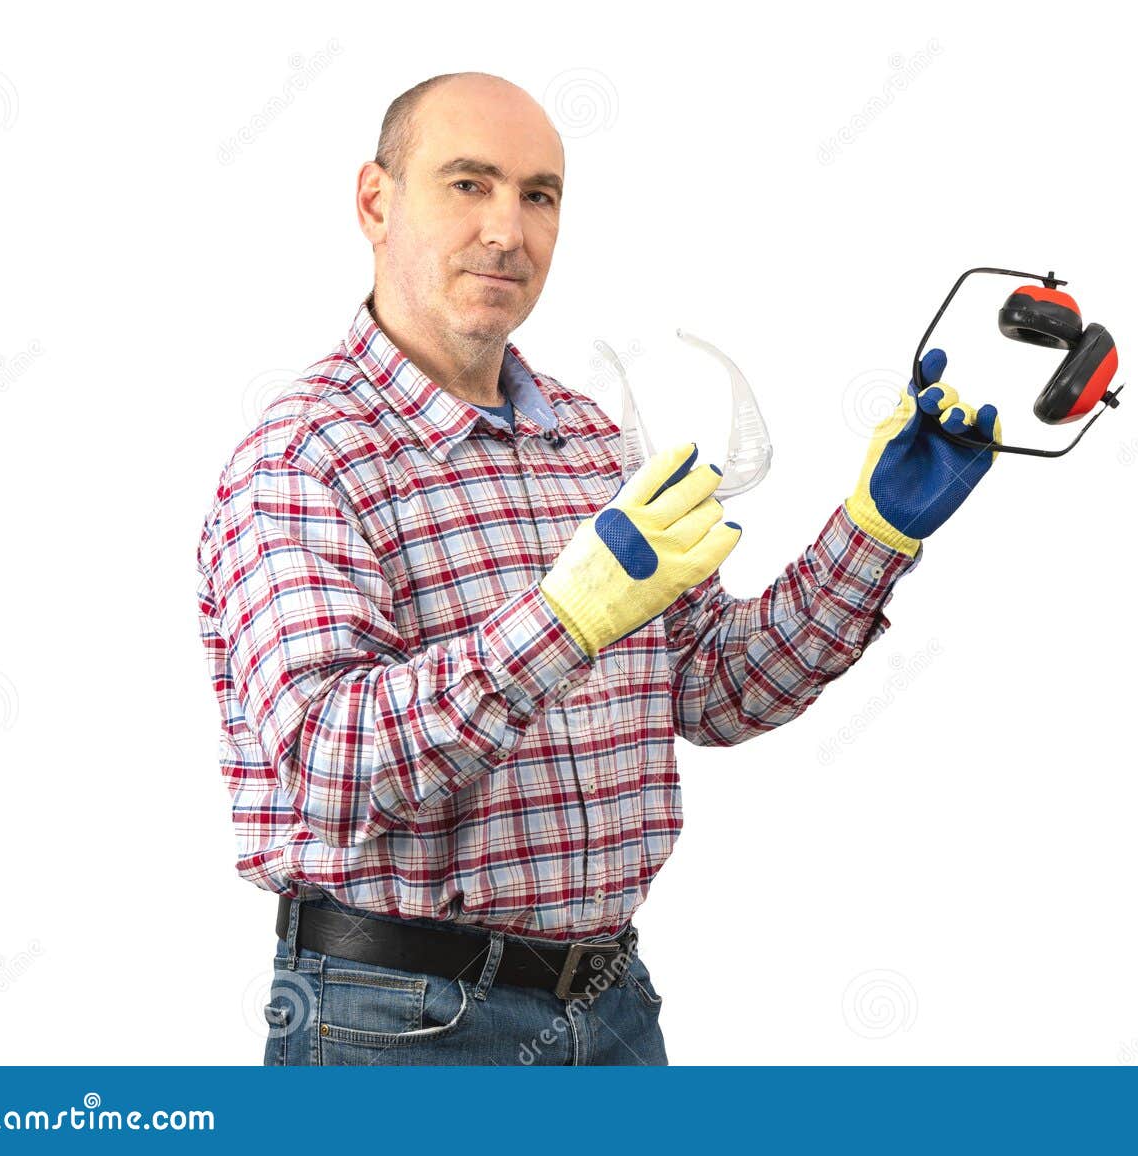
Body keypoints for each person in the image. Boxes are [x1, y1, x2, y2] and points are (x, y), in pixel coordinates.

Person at [193, 71, 1003, 1066]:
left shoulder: (586, 442)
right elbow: (332, 758)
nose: (508, 229)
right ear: (375, 200)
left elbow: (712, 687)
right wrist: (563, 620)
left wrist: (872, 532)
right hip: (395, 1027)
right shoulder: (304, 457)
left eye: (538, 195)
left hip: (611, 1007)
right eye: (467, 184)